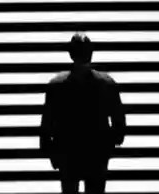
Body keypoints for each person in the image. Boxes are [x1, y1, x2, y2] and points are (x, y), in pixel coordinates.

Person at [40, 32, 126, 194]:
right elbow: (119, 123)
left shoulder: (56, 86)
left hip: (68, 154)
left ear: (70, 54)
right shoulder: (107, 83)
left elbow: (47, 125)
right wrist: (109, 145)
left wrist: (51, 151)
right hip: (96, 155)